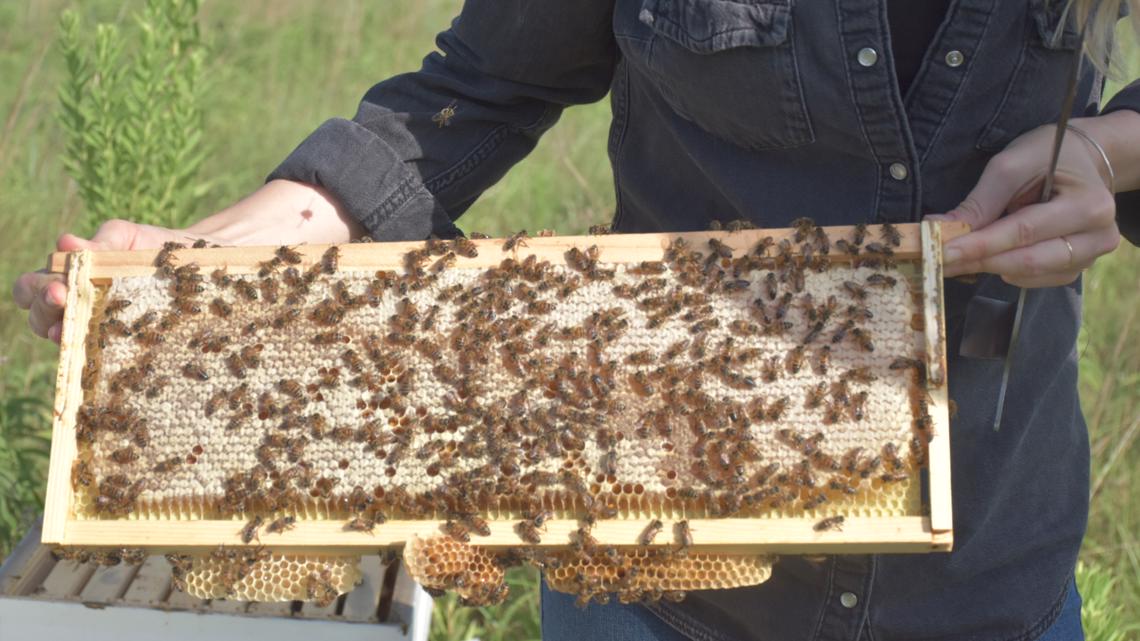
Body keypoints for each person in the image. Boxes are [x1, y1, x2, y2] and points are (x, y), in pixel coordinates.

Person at [13, 1, 1140, 639]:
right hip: (658, 593)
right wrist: (240, 253)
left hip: (986, 574)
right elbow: (478, 88)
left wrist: (1105, 150)